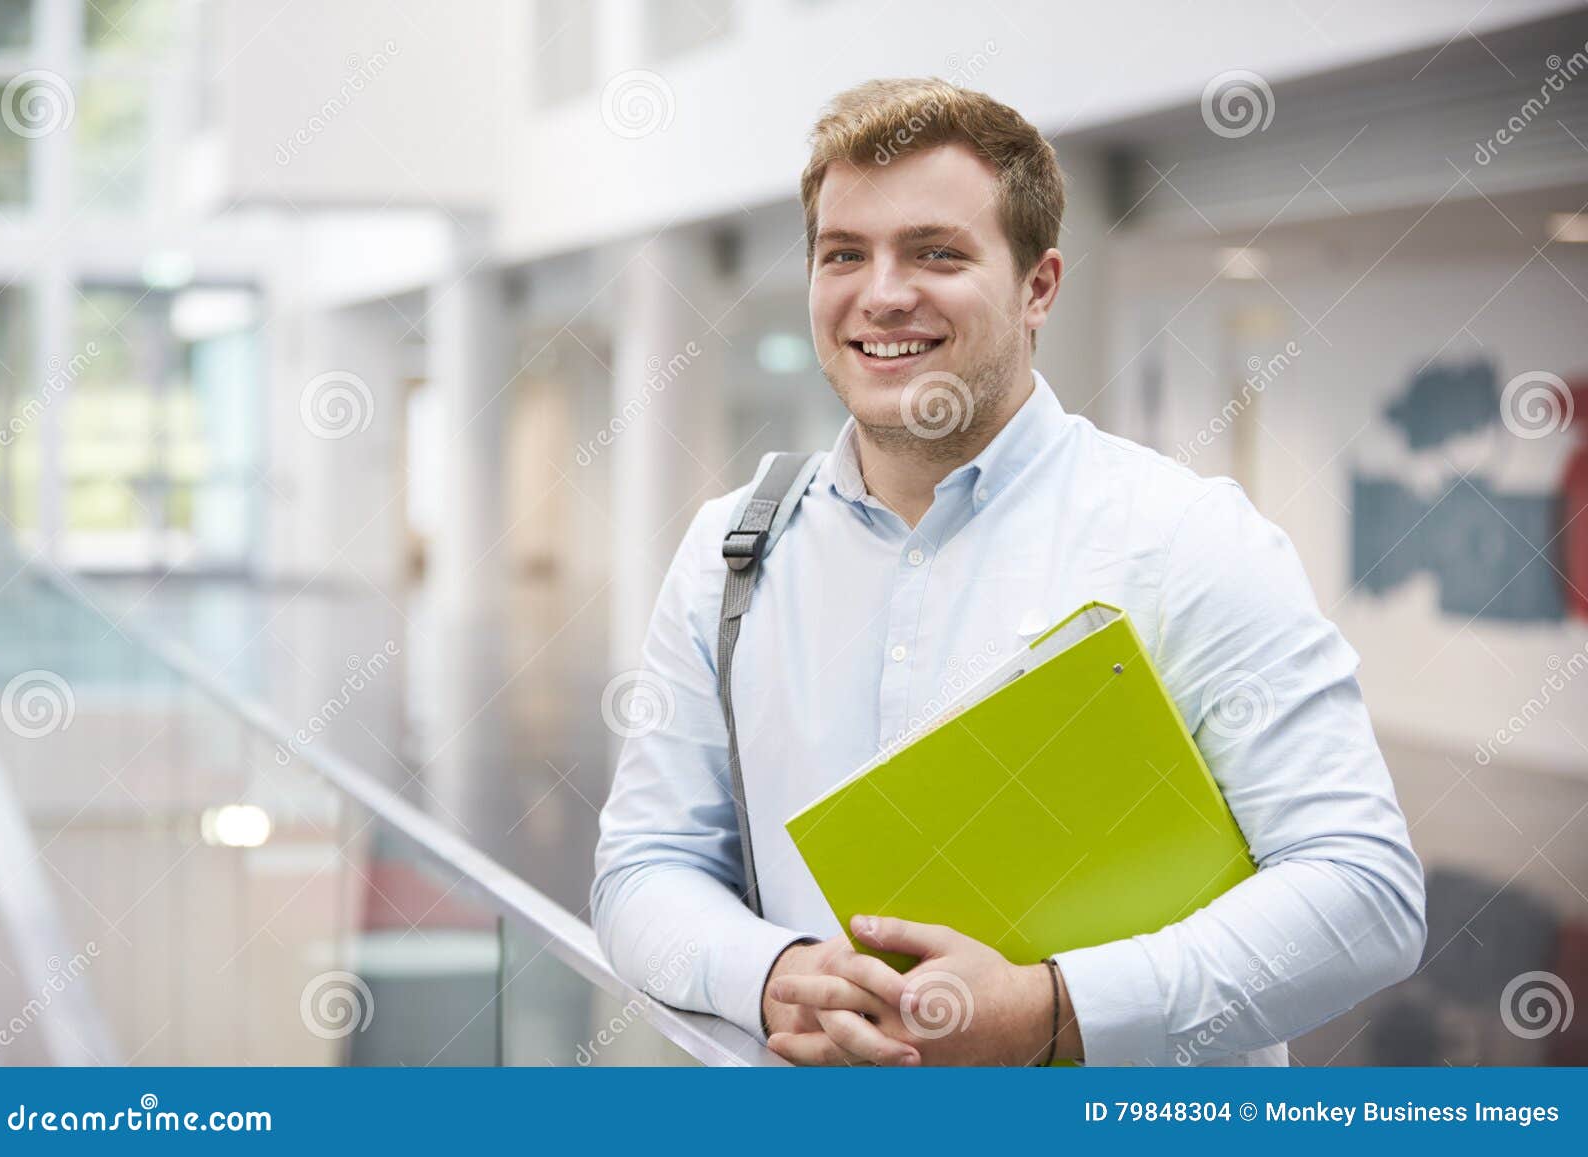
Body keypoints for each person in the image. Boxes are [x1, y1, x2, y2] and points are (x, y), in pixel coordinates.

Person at [591, 77, 1426, 1066]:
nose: (882, 291)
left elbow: (1364, 890)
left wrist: (1057, 1006)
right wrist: (770, 972)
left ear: (1038, 287)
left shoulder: (1187, 539)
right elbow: (645, 866)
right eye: (843, 254)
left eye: (936, 252)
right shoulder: (731, 552)